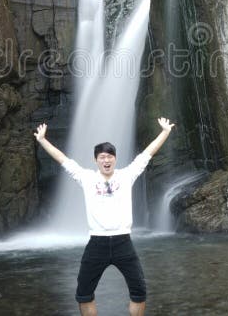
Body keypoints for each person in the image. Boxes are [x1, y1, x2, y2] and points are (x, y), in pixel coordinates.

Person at [34, 117, 175, 316]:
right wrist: (42, 140)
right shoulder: (87, 177)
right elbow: (62, 159)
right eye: (102, 157)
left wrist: (165, 132)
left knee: (139, 291)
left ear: (115, 159)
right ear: (95, 160)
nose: (106, 160)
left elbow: (147, 153)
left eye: (110, 156)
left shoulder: (126, 175)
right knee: (83, 293)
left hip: (123, 242)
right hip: (97, 243)